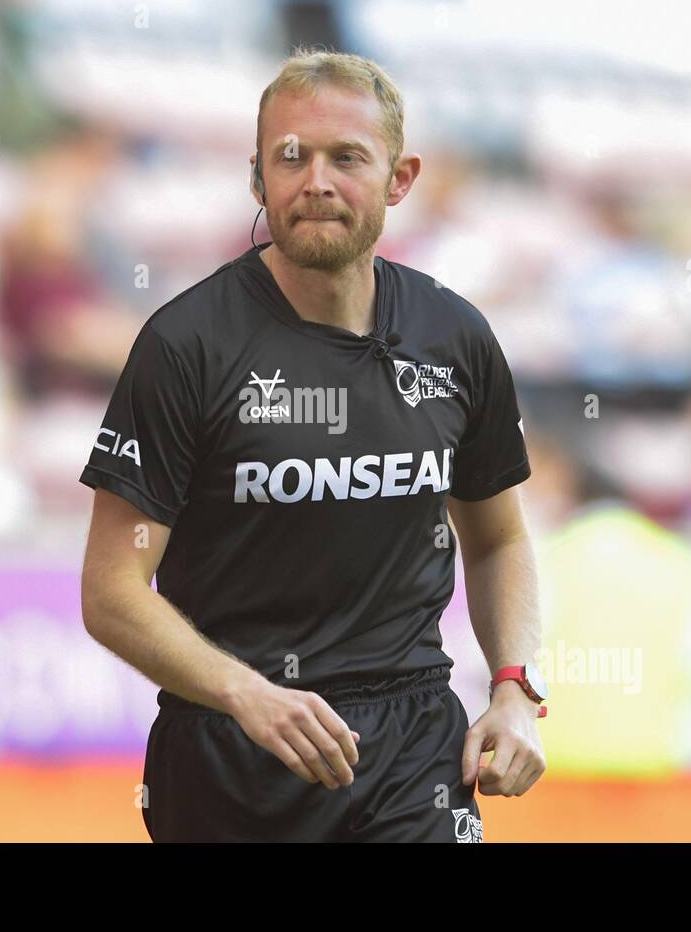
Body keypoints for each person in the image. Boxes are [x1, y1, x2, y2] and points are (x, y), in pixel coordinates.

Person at [79, 47, 545, 842]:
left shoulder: (455, 336)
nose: (316, 181)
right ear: (257, 179)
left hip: (412, 753)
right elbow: (111, 592)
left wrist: (512, 687)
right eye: (290, 157)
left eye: (347, 158)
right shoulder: (186, 346)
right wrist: (245, 693)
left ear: (401, 179)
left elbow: (498, 539)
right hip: (231, 755)